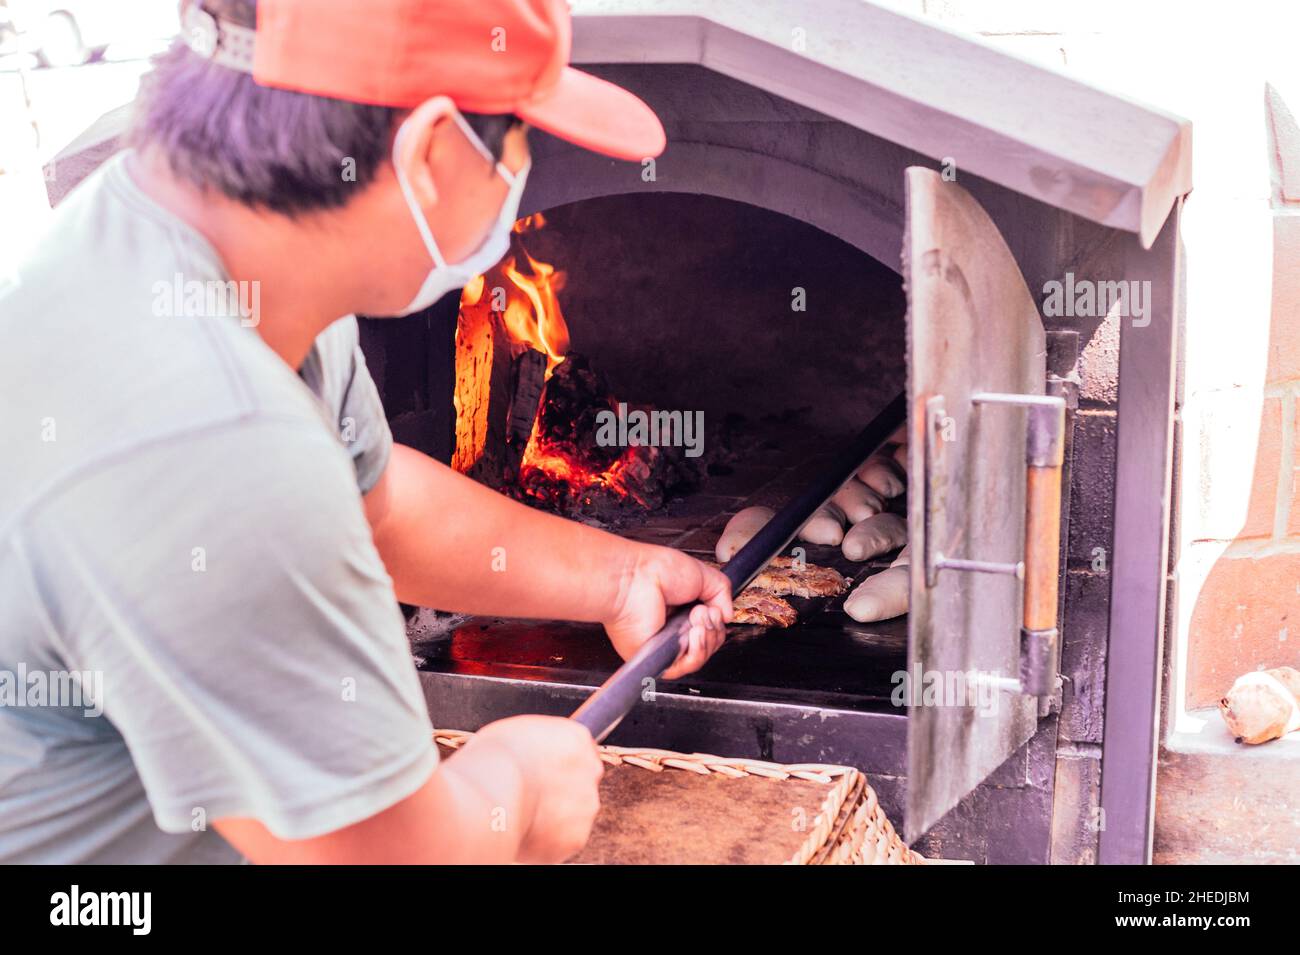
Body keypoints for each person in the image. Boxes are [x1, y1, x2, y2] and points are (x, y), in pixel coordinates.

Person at [0, 0, 732, 864]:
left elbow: (375, 507)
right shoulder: (209, 440)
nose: (522, 176)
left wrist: (619, 576)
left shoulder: (213, 251)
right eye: (516, 146)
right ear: (427, 153)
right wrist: (522, 790)